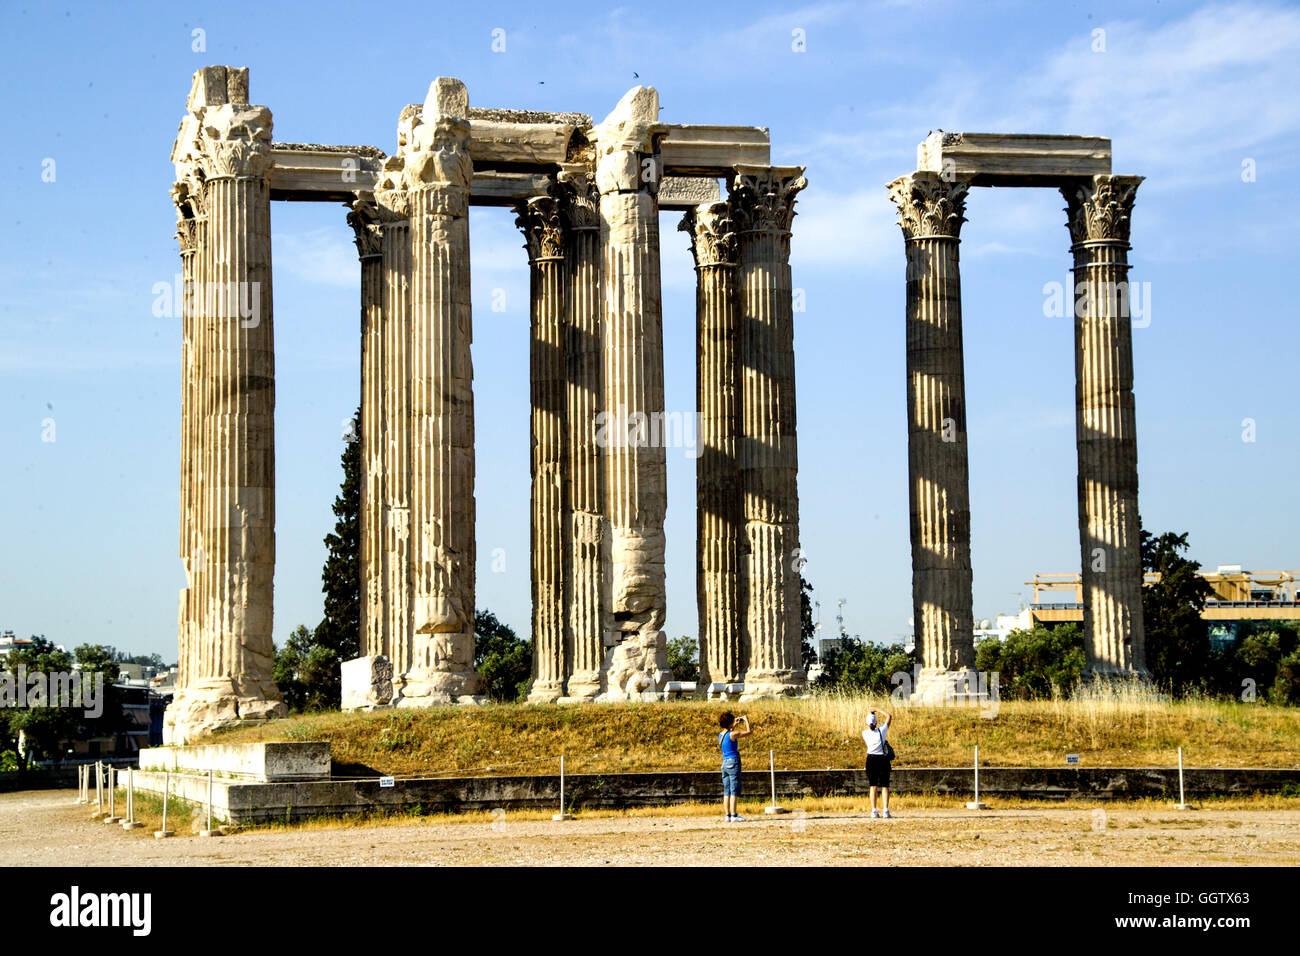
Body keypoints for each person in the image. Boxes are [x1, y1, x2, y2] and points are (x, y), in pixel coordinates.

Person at [718, 711, 751, 822]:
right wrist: (746, 720)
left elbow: (728, 733)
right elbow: (749, 732)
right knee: (734, 790)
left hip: (725, 763)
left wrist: (734, 724)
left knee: (726, 790)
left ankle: (727, 815)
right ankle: (734, 815)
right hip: (733, 762)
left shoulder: (721, 735)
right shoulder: (733, 734)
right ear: (729, 724)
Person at [862, 707, 893, 818]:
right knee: (885, 786)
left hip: (871, 759)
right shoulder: (882, 731)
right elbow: (889, 716)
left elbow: (870, 727)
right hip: (883, 760)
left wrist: (871, 713)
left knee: (873, 786)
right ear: (876, 723)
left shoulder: (864, 733)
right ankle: (885, 810)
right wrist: (877, 709)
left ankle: (874, 810)